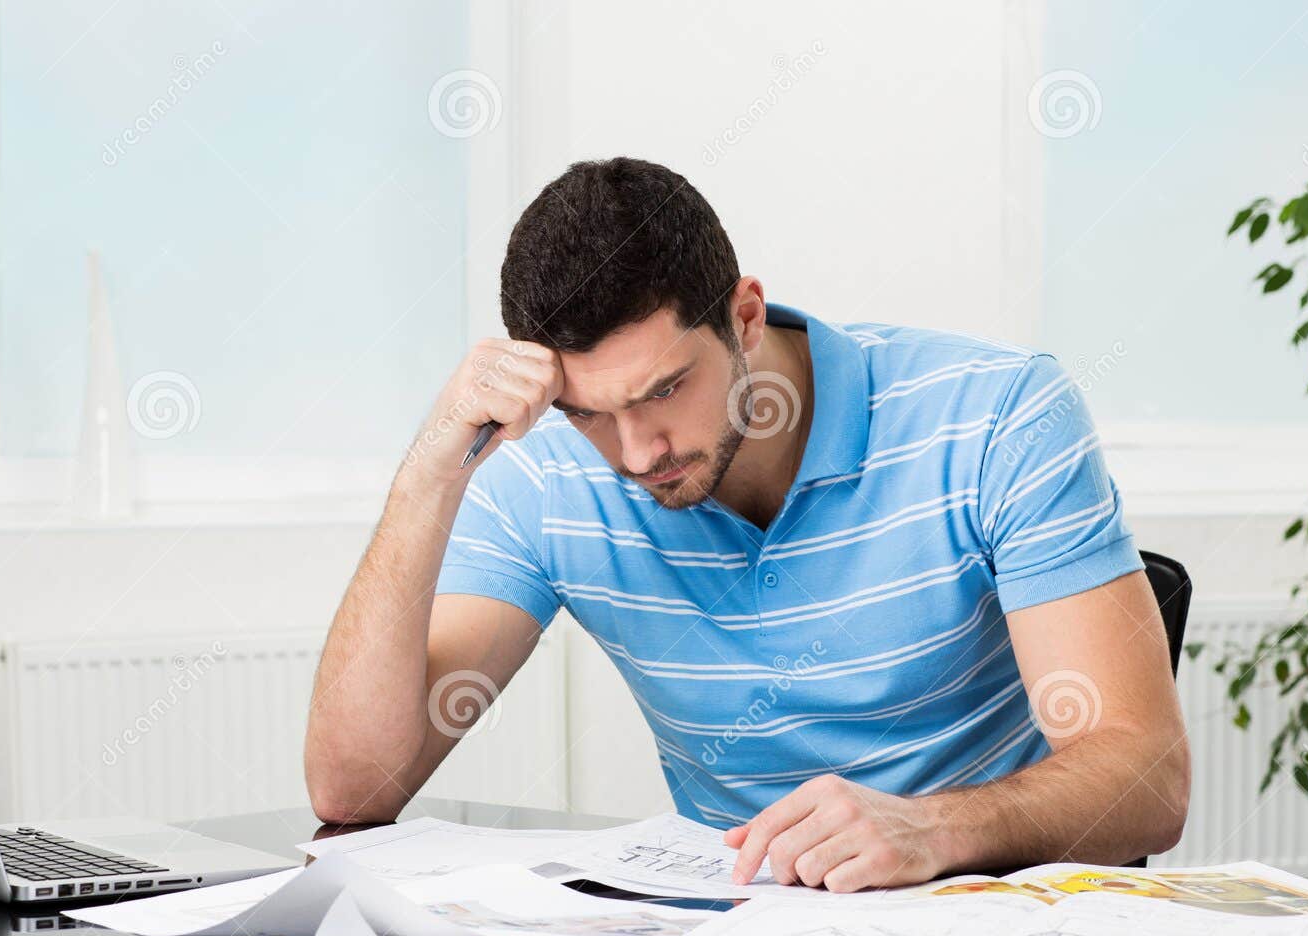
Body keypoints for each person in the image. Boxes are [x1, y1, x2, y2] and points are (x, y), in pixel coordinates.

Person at [304, 157, 1189, 892]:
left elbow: (1147, 776)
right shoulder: (546, 474)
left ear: (745, 317)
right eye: (590, 412)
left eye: (664, 390)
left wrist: (931, 829)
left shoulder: (998, 416)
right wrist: (429, 473)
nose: (638, 451)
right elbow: (353, 789)